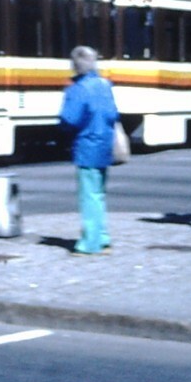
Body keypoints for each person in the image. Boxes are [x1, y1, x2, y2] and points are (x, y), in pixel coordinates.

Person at [57, 45, 120, 256]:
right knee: (99, 194)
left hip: (86, 144)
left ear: (75, 65)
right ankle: (102, 239)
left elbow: (70, 118)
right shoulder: (104, 85)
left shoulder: (78, 89)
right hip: (104, 144)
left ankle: (89, 243)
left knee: (89, 196)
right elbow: (113, 114)